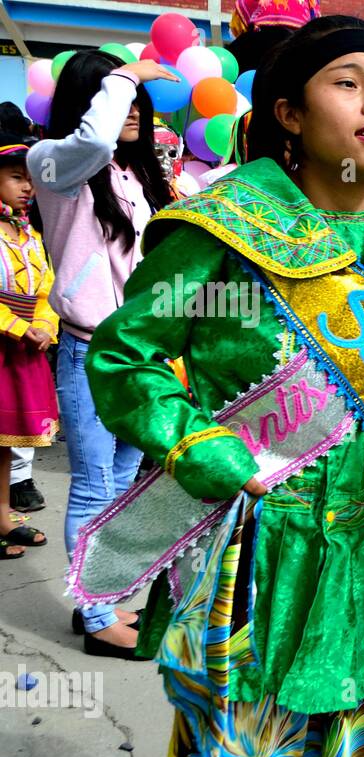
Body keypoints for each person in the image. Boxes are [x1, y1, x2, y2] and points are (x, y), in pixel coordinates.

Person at [80, 14, 364, 757]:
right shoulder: (221, 229)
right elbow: (125, 354)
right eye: (348, 82)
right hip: (265, 555)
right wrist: (194, 445)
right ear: (290, 113)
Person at [29, 51, 174, 656]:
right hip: (90, 352)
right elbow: (92, 141)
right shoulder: (54, 163)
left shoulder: (133, 176)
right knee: (92, 489)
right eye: (119, 94)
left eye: (138, 99)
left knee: (119, 486)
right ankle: (95, 619)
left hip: (140, 355)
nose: (133, 108)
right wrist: (129, 74)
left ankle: (101, 601)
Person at [0, 137, 57, 559]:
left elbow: (45, 289)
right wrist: (19, 326)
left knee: (4, 441)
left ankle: (2, 514)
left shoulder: (29, 234)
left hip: (20, 348)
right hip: (5, 340)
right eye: (17, 177)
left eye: (31, 180)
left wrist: (42, 325)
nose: (27, 188)